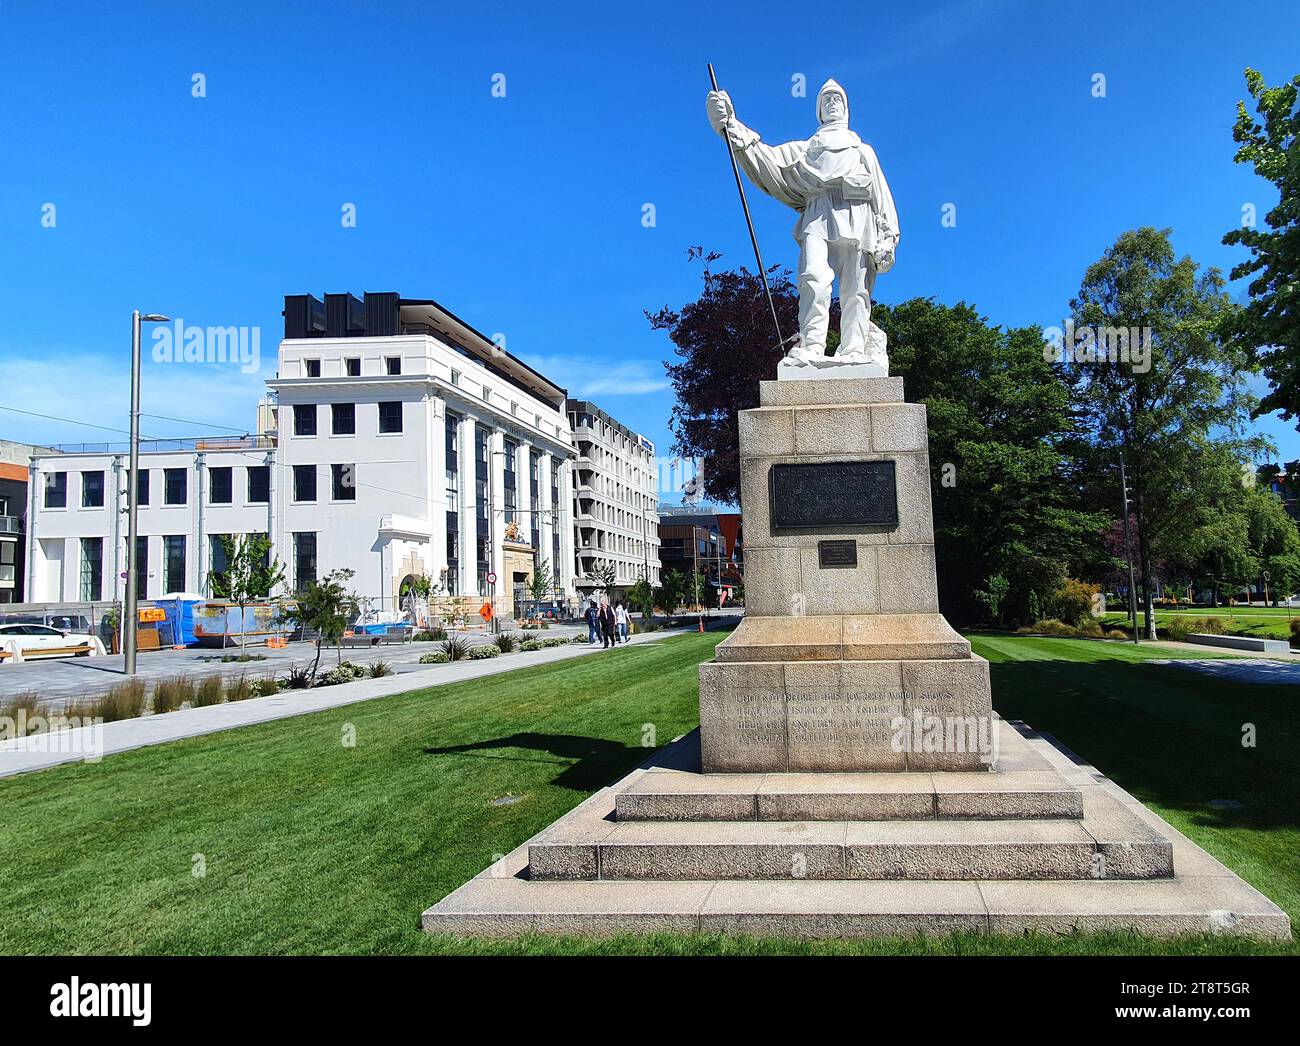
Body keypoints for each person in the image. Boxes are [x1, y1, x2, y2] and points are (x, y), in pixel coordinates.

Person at [705, 79, 900, 370]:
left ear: (846, 107)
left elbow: (882, 197)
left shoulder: (863, 151)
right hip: (817, 213)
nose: (832, 102)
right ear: (819, 109)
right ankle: (811, 344)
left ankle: (855, 348)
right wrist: (730, 124)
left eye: (837, 99)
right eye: (826, 99)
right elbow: (766, 158)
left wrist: (888, 237)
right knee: (813, 279)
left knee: (855, 288)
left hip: (857, 216)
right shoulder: (806, 150)